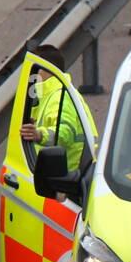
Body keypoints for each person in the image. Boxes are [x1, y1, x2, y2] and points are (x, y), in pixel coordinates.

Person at [19, 43, 93, 173]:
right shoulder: (49, 94)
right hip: (63, 175)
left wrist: (39, 134)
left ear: (42, 70)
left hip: (67, 179)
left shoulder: (60, 96)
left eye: (33, 71)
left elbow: (65, 133)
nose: (31, 76)